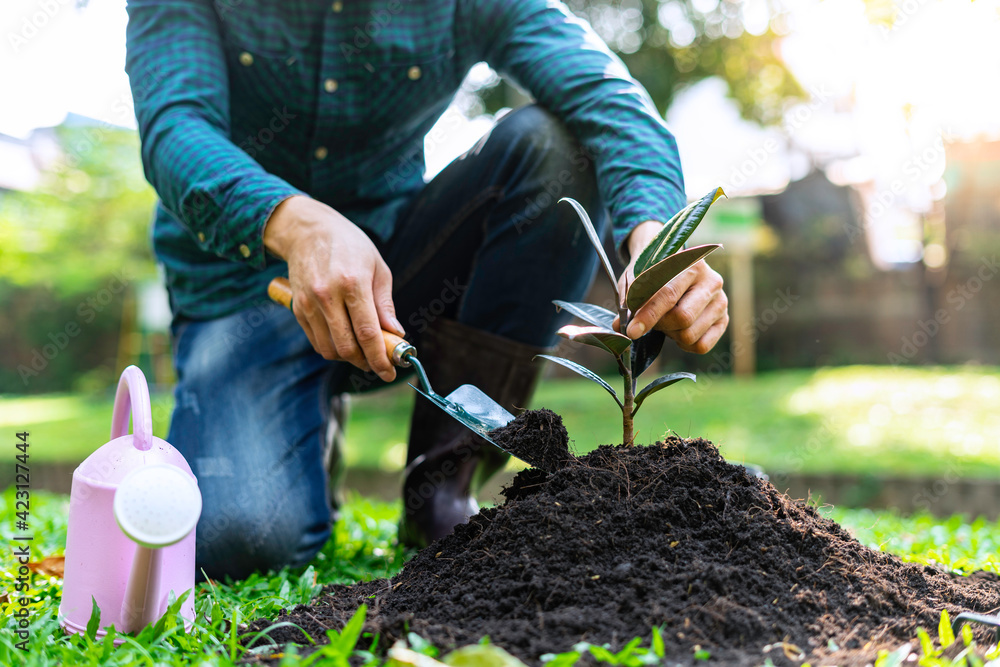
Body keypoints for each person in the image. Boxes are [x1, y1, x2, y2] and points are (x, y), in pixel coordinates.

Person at [124, 0, 730, 581]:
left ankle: (441, 484)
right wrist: (298, 225)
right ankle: (309, 419)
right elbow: (175, 126)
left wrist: (659, 245)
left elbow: (608, 102)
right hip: (240, 291)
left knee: (557, 146)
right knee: (241, 541)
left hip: (399, 275)